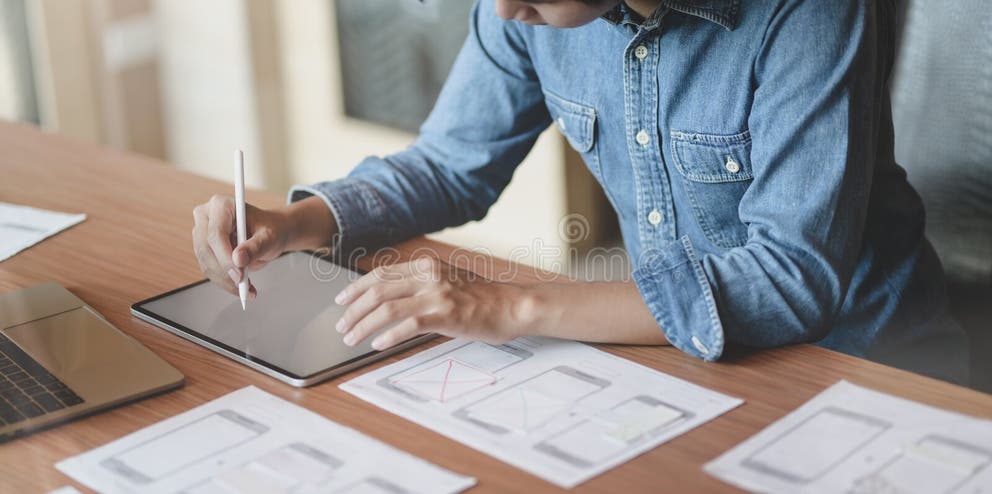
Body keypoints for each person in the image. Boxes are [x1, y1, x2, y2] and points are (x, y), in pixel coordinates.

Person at [191, 0, 968, 383]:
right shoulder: (527, 10)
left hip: (869, 368)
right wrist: (295, 221)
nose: (500, 10)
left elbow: (789, 279)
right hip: (683, 363)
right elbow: (452, 163)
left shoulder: (807, 11)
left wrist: (510, 303)